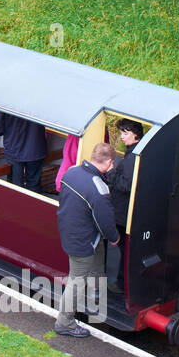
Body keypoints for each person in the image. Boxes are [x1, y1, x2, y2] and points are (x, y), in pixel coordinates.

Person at [54, 143, 119, 338]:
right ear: (108, 162)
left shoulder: (72, 172)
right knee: (76, 280)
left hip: (70, 229)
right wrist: (114, 237)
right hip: (82, 239)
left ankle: (96, 291)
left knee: (98, 254)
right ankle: (64, 322)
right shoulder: (99, 188)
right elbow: (105, 220)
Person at [106, 119, 144, 296]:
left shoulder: (131, 159)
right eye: (121, 132)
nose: (122, 137)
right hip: (126, 210)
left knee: (122, 247)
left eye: (125, 133)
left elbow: (125, 185)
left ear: (135, 134)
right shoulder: (137, 153)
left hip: (121, 211)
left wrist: (111, 172)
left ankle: (120, 284)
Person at [0, 110, 48, 193]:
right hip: (36, 145)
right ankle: (32, 205)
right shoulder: (40, 97)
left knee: (16, 188)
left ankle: (17, 205)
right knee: (34, 186)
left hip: (14, 147)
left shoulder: (4, 98)